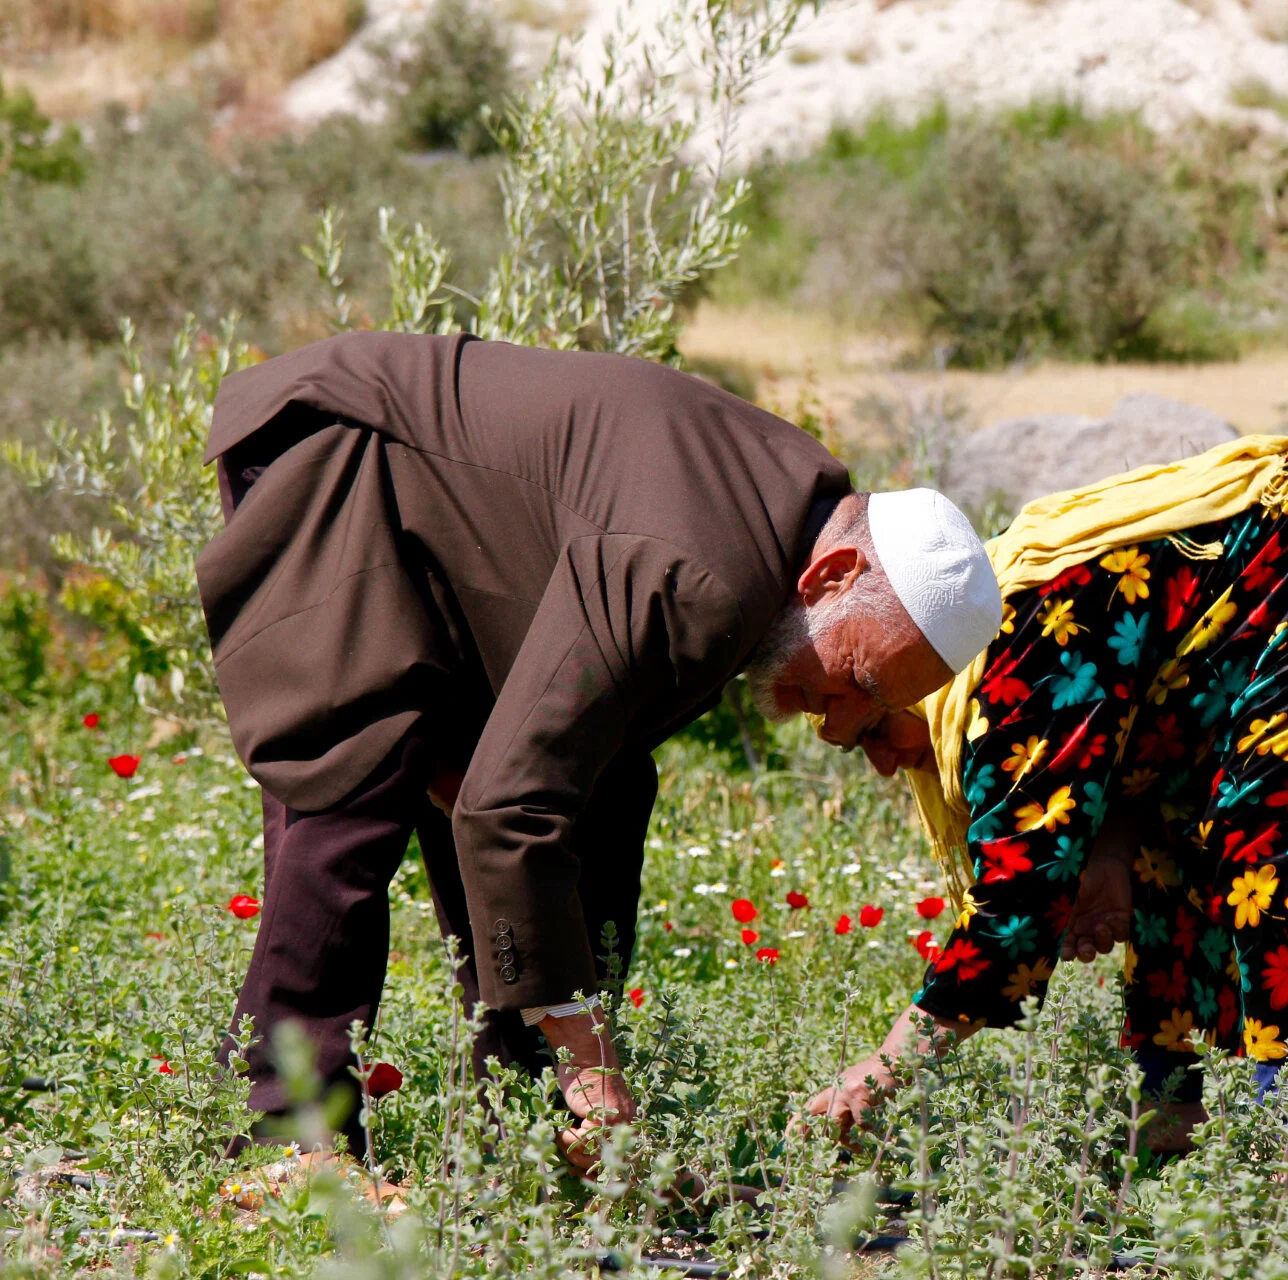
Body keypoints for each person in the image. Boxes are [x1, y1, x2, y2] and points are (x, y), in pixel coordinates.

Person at [196, 330, 1002, 1168]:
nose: (837, 728)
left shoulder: (788, 522)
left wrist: (573, 1052)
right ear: (832, 576)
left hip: (447, 525)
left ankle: (532, 1142)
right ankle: (283, 1149)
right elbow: (509, 805)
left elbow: (535, 779)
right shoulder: (697, 576)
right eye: (859, 685)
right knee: (357, 773)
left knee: (604, 794)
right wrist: (594, 1062)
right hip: (341, 451)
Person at [807, 436, 1288, 1147]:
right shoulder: (979, 635)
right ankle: (1173, 1108)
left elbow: (1018, 907)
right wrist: (1109, 854)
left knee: (1270, 823)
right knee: (1175, 824)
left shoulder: (1013, 663)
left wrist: (881, 1069)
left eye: (876, 732)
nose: (884, 765)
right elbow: (1140, 745)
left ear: (917, 683)